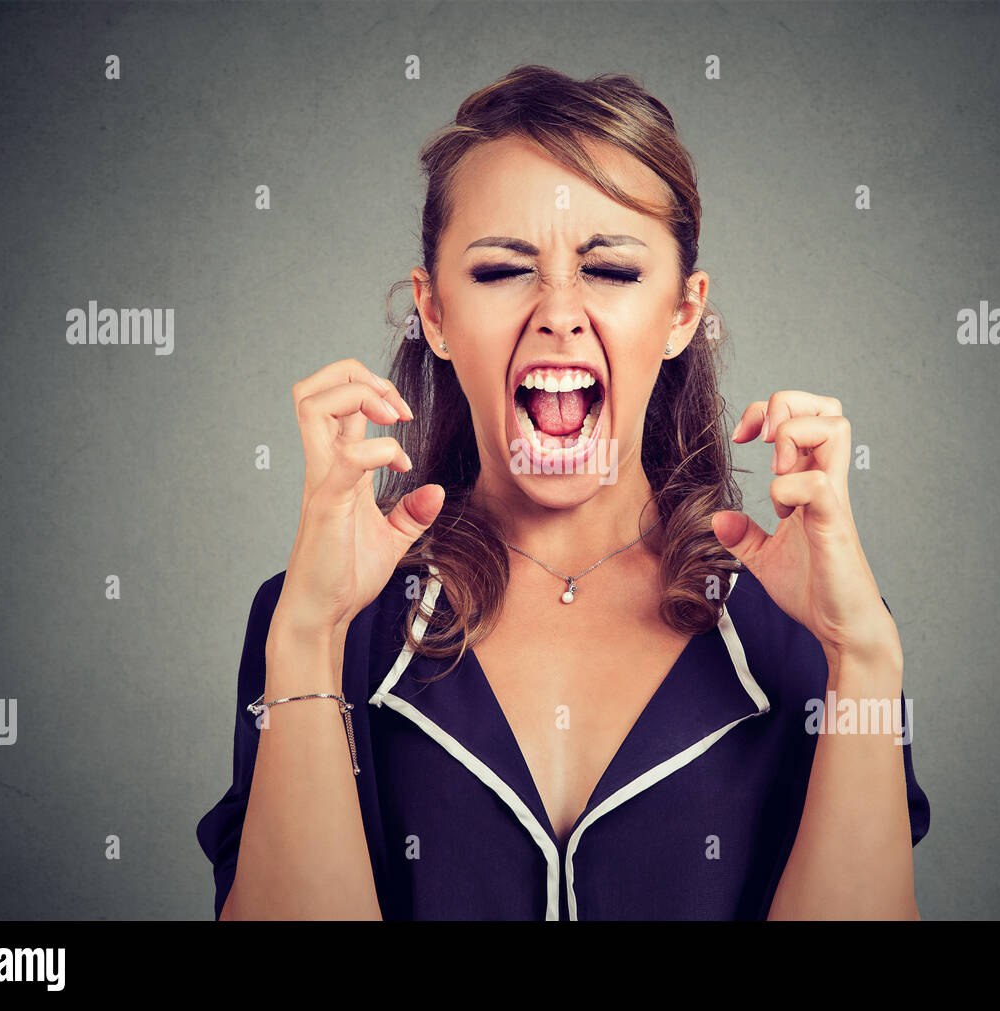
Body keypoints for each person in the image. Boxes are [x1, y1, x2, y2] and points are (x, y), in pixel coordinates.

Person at [197, 64, 929, 921]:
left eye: (612, 271)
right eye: (505, 269)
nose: (559, 311)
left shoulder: (807, 626)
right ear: (432, 313)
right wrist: (309, 637)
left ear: (683, 313)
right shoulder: (323, 621)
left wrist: (864, 658)